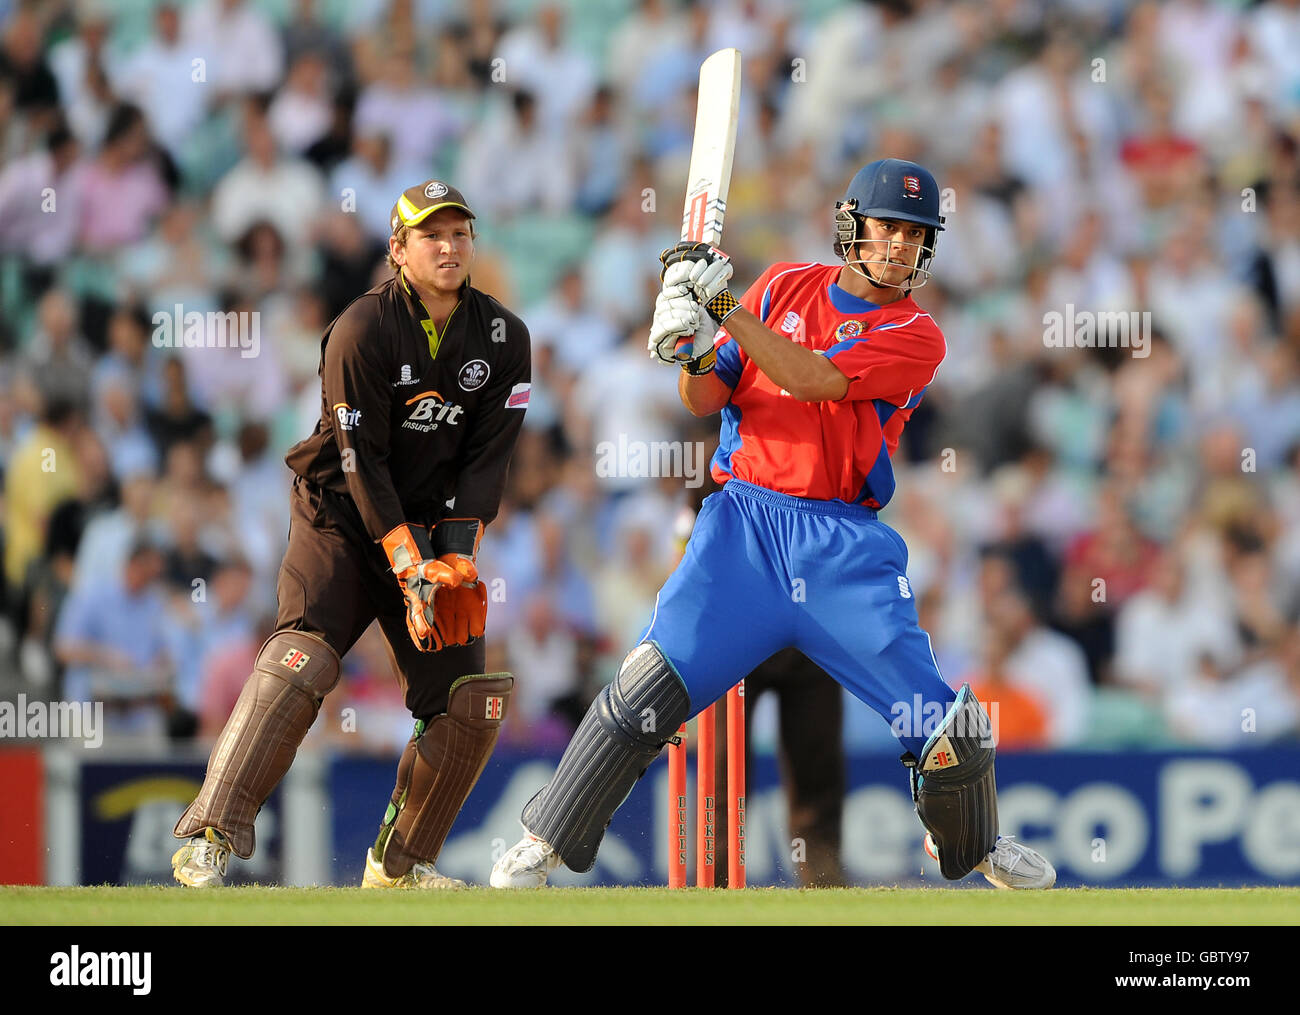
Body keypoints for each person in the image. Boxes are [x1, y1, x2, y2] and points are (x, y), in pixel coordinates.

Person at [491, 158, 1055, 890]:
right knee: (647, 683)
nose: (901, 247)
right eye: (888, 228)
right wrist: (688, 339)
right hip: (743, 530)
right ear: (852, 226)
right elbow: (702, 397)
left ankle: (980, 844)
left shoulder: (918, 334)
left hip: (840, 547)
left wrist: (720, 304)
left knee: (947, 726)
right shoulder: (784, 284)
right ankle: (547, 836)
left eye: (917, 236)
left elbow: (812, 376)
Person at [172, 180, 531, 888]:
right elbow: (355, 457)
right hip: (339, 516)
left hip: (428, 533)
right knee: (303, 658)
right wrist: (405, 561)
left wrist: (453, 557)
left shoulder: (504, 337)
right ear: (399, 250)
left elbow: (488, 461)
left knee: (471, 700)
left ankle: (398, 866)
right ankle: (209, 835)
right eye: (432, 235)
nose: (450, 246)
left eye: (460, 234)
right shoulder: (360, 329)